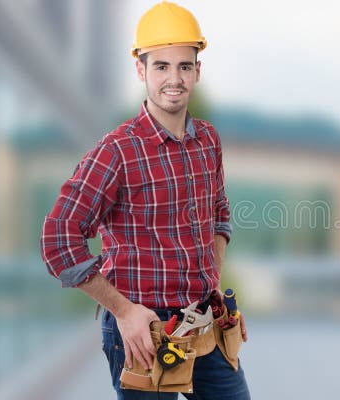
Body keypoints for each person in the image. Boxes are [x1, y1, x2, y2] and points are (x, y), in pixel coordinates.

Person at [39, 2, 250, 399]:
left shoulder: (207, 141)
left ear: (197, 71)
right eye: (161, 66)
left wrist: (213, 284)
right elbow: (57, 240)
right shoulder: (116, 151)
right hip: (143, 331)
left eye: (184, 66)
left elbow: (218, 215)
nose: (175, 78)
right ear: (141, 70)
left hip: (205, 321)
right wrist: (124, 311)